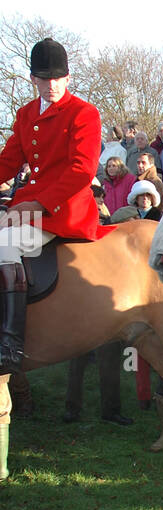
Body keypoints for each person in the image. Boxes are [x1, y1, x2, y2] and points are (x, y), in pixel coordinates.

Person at [0, 39, 112, 371]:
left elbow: (82, 170)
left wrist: (36, 203)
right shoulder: (25, 114)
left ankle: (9, 343)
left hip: (64, 210)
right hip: (30, 205)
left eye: (58, 78)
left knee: (4, 246)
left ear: (68, 77)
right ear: (32, 78)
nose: (52, 86)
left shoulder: (84, 113)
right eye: (44, 78)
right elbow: (7, 162)